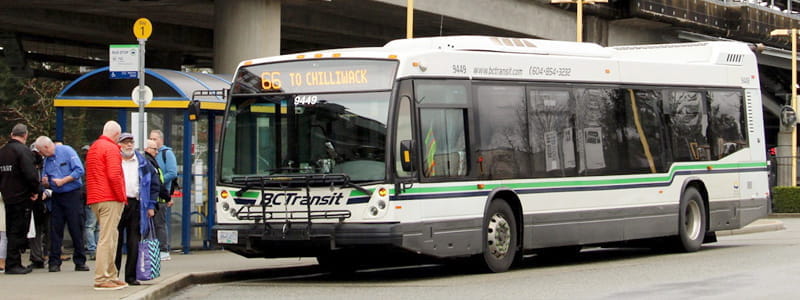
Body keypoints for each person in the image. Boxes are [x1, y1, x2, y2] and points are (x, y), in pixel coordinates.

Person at [34, 136, 89, 272]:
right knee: (55, 229)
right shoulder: (46, 160)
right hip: (57, 196)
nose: (41, 154)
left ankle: (80, 261)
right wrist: (46, 182)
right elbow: (45, 177)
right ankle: (54, 262)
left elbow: (79, 171)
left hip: (72, 194)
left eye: (42, 151)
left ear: (46, 147)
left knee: (76, 227)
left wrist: (64, 180)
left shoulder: (67, 151)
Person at [85, 121, 128, 290]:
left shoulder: (95, 147)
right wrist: (121, 196)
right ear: (117, 135)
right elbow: (114, 175)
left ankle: (111, 274)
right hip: (110, 197)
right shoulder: (111, 149)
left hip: (96, 197)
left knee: (111, 236)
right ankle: (102, 277)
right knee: (107, 238)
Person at [115, 133, 157, 286]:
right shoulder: (115, 160)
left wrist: (151, 205)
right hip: (118, 203)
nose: (128, 145)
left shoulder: (142, 162)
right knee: (116, 241)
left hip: (137, 204)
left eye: (130, 142)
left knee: (134, 241)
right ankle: (114, 275)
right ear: (119, 145)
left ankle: (131, 276)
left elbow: (154, 183)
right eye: (125, 143)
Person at [0, 124, 40, 275]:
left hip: (7, 196)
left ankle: (12, 262)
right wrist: (35, 191)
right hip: (22, 196)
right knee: (18, 231)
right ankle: (13, 264)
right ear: (25, 135)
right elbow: (30, 174)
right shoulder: (23, 151)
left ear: (12, 134)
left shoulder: (3, 151)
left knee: (10, 231)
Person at [149, 129, 176, 261]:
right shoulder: (150, 156)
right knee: (152, 224)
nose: (153, 141)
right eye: (151, 139)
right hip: (153, 194)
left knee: (160, 223)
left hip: (161, 194)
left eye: (155, 139)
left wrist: (158, 182)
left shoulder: (167, 153)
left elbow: (172, 172)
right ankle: (154, 249)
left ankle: (163, 249)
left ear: (161, 140)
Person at [28, 145, 52, 269]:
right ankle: (36, 257)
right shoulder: (29, 168)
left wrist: (47, 192)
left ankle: (49, 255)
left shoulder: (47, 166)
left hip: (47, 202)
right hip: (35, 204)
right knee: (36, 231)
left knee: (49, 230)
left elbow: (53, 182)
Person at [80, 145, 98, 261]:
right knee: (93, 225)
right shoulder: (90, 167)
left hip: (91, 197)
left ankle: (94, 248)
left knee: (93, 225)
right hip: (93, 197)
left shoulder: (85, 166)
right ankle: (93, 249)